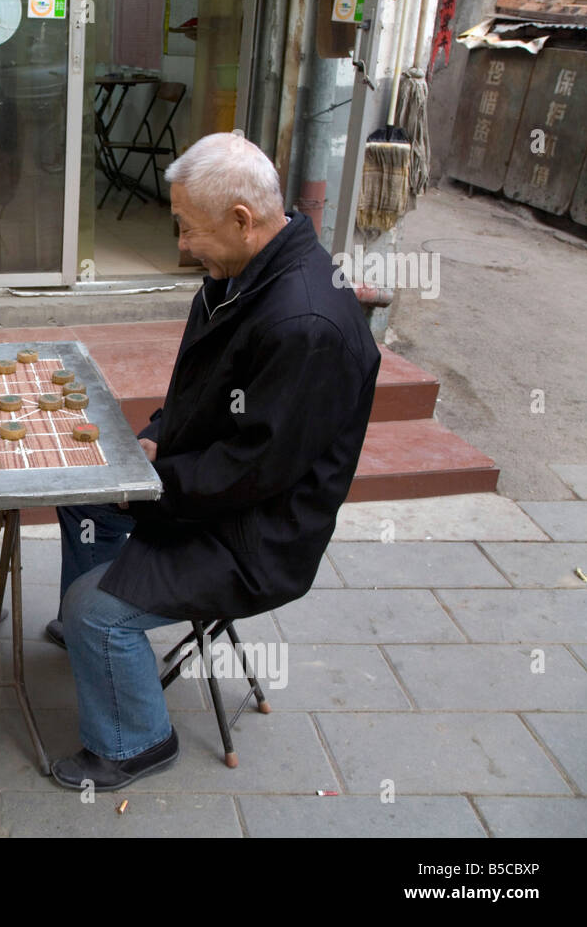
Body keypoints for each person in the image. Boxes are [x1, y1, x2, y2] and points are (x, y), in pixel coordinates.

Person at [48, 132, 381, 791]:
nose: (181, 244)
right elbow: (202, 396)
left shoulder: (303, 321)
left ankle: (136, 739)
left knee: (94, 609)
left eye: (187, 229)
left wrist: (149, 482)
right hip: (214, 490)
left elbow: (253, 469)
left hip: (257, 535)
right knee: (82, 488)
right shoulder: (239, 276)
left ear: (241, 220)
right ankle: (100, 640)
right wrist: (153, 442)